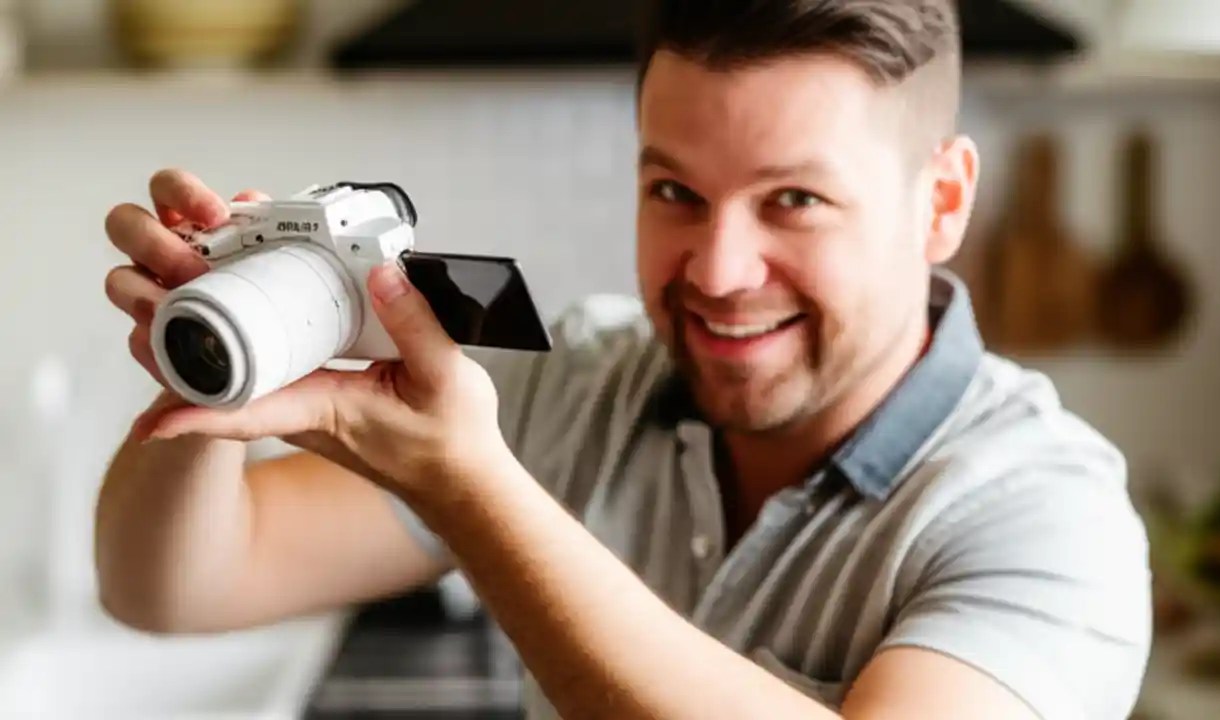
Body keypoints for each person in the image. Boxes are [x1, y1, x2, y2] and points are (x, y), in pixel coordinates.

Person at [95, 1, 1153, 718]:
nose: (719, 269)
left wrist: (472, 490)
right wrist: (209, 366)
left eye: (793, 201)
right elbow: (173, 589)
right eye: (673, 193)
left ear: (941, 203)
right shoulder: (579, 384)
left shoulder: (1048, 517)